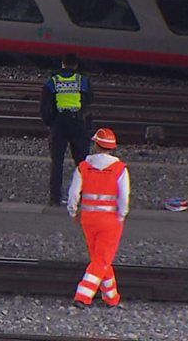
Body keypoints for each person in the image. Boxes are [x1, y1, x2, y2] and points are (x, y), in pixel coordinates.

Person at [68, 128, 129, 308]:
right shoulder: (120, 169)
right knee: (102, 260)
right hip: (110, 220)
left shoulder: (83, 167)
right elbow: (124, 197)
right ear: (112, 147)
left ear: (96, 145)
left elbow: (73, 194)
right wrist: (121, 215)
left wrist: (73, 212)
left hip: (88, 219)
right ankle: (82, 296)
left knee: (100, 258)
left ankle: (111, 297)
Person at [40, 53, 92, 206]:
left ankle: (55, 198)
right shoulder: (82, 81)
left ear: (62, 64)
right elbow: (89, 100)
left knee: (57, 163)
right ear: (76, 65)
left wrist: (51, 122)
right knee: (82, 163)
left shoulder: (53, 82)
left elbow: (44, 107)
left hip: (59, 123)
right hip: (78, 123)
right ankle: (84, 196)